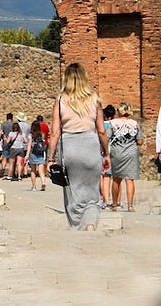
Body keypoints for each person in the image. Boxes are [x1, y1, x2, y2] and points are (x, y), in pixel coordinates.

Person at [47, 62, 110, 230]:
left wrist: (50, 159)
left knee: (73, 194)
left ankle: (78, 227)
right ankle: (90, 225)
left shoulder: (60, 100)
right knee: (92, 196)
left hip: (69, 149)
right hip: (90, 146)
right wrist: (106, 154)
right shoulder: (94, 99)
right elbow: (102, 131)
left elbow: (54, 133)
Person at [107, 102, 140, 211]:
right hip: (131, 153)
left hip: (117, 152)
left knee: (116, 179)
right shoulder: (134, 123)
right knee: (129, 179)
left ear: (119, 111)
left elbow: (107, 137)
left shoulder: (113, 123)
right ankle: (130, 206)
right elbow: (140, 141)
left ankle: (115, 205)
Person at [25, 117, 48, 191]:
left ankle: (34, 186)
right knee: (41, 170)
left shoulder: (31, 135)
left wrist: (27, 155)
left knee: (33, 170)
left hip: (33, 153)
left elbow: (29, 146)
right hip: (40, 152)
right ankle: (43, 182)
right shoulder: (42, 134)